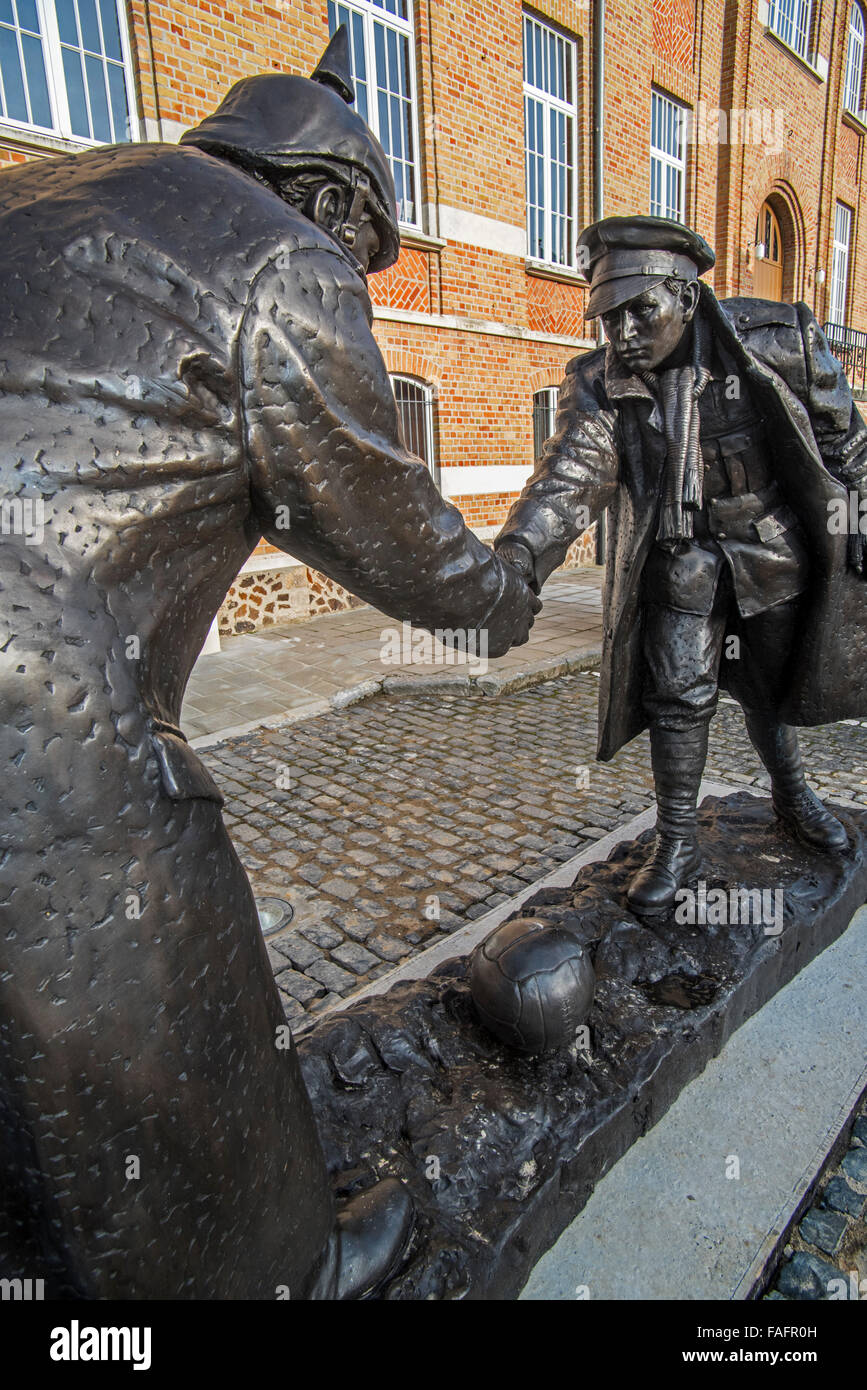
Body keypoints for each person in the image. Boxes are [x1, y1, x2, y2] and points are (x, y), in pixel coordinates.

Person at [0, 29, 537, 1299]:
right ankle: (275, 1269)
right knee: (162, 992)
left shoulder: (53, 186)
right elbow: (398, 540)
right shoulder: (281, 260)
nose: (360, 282)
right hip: (39, 700)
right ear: (335, 202)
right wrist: (508, 593)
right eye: (369, 255)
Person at [496, 214, 867, 914]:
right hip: (681, 558)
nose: (623, 334)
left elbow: (845, 439)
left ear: (687, 300)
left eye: (641, 311)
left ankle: (790, 793)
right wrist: (518, 561)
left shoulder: (776, 339)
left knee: (772, 686)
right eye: (608, 319)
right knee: (677, 695)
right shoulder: (598, 381)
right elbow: (569, 476)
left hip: (771, 548)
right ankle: (677, 842)